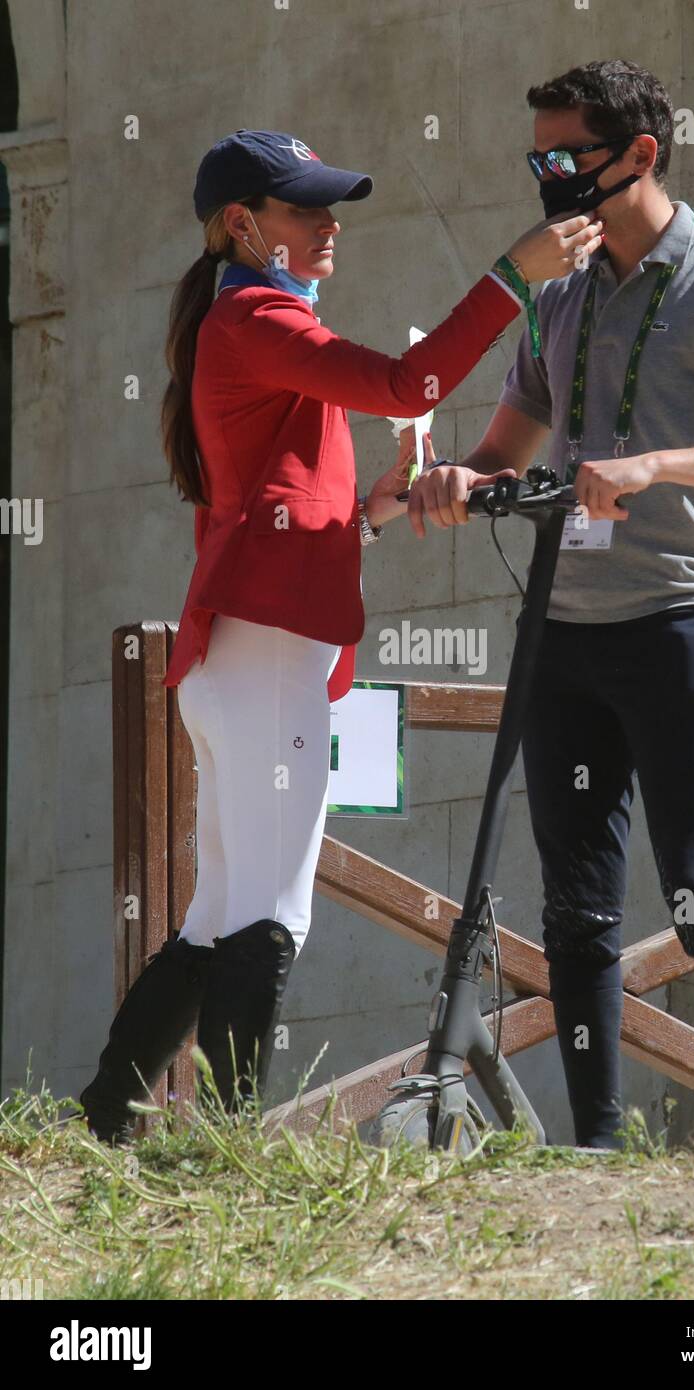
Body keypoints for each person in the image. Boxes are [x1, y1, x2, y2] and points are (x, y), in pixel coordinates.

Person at [79, 129, 600, 1146]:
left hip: (244, 658)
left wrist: (370, 513)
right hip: (265, 661)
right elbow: (409, 387)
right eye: (304, 208)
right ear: (243, 226)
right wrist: (511, 276)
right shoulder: (256, 312)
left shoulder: (240, 316)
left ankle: (105, 1119)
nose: (330, 225)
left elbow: (278, 507)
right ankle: (229, 1152)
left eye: (331, 206)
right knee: (273, 915)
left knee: (218, 917)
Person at [407, 60, 694, 1158]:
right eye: (534, 159)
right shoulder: (555, 293)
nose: (546, 180)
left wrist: (658, 466)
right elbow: (506, 453)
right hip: (562, 629)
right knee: (574, 911)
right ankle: (588, 1154)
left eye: (563, 159)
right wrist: (459, 483)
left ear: (637, 155)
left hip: (683, 619)